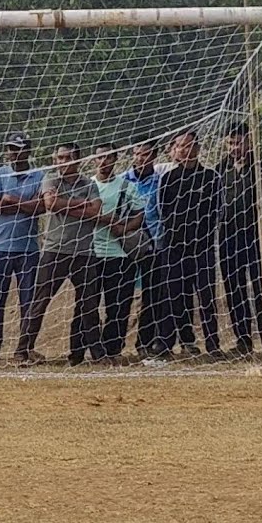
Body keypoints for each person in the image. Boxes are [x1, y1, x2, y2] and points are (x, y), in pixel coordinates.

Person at [14, 142, 104, 365]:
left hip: (84, 251)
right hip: (55, 250)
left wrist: (67, 205)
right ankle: (22, 351)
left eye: (67, 158)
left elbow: (96, 210)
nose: (62, 162)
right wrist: (81, 204)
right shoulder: (51, 179)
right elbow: (50, 204)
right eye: (59, 158)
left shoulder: (88, 183)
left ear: (78, 159)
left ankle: (97, 354)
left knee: (89, 304)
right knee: (40, 301)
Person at [156, 130, 223, 358]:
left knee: (206, 296)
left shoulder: (211, 177)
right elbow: (163, 210)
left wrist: (204, 234)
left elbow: (217, 211)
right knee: (172, 295)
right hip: (174, 247)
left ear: (197, 148)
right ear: (173, 149)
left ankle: (213, 345)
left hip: (202, 247)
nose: (184, 150)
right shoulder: (168, 178)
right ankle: (169, 344)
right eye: (180, 146)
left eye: (188, 145)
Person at [216, 124, 262, 355]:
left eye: (239, 142)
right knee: (234, 288)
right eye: (231, 143)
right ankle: (243, 340)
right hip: (228, 236)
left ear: (250, 141)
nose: (235, 148)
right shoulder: (220, 169)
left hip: (256, 236)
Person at [0, 133, 44, 361]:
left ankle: (23, 348)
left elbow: (40, 207)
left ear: (28, 150)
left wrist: (12, 200)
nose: (14, 152)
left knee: (28, 301)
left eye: (19, 148)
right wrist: (25, 205)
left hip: (29, 248)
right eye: (11, 148)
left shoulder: (39, 175)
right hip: (0, 247)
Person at [89, 144, 146, 361]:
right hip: (91, 254)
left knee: (118, 306)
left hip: (120, 254)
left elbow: (140, 214)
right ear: (94, 160)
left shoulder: (125, 186)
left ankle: (112, 349)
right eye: (100, 157)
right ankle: (87, 349)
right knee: (89, 305)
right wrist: (103, 218)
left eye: (108, 157)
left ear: (115, 159)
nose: (103, 162)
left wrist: (125, 228)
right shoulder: (88, 185)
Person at [123, 139, 166, 356]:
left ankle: (144, 343)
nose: (140, 158)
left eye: (145, 154)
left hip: (155, 245)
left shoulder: (161, 181)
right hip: (126, 246)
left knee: (152, 295)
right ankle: (114, 345)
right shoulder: (123, 180)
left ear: (154, 156)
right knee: (123, 295)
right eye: (137, 154)